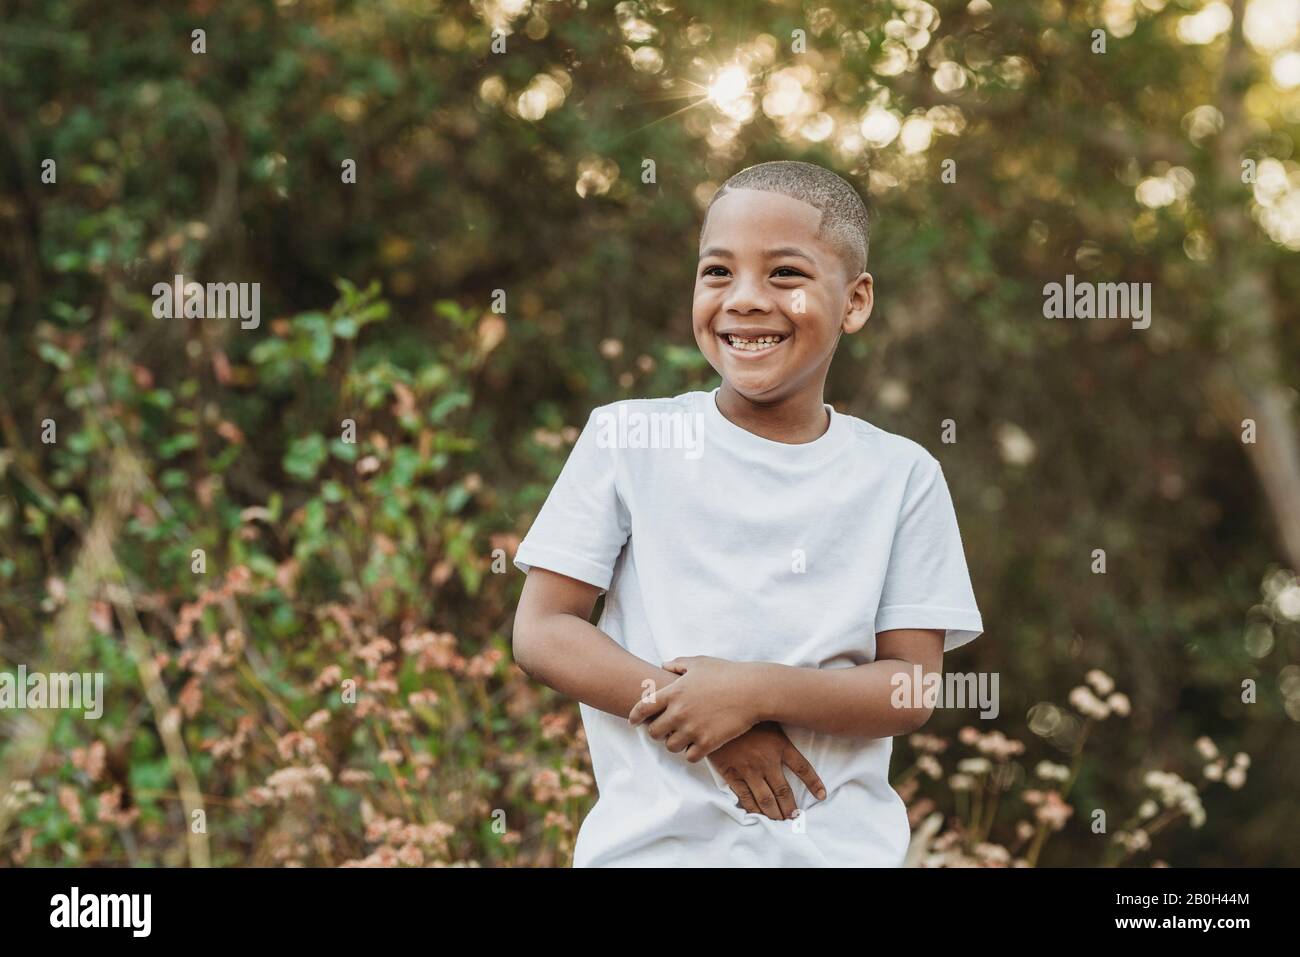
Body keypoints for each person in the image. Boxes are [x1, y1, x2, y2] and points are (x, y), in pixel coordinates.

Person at [512, 160, 983, 867]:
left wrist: (751, 692)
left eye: (785, 274)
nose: (745, 299)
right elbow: (544, 629)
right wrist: (704, 718)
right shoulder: (628, 437)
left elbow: (911, 686)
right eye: (717, 272)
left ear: (854, 302)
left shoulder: (903, 476)